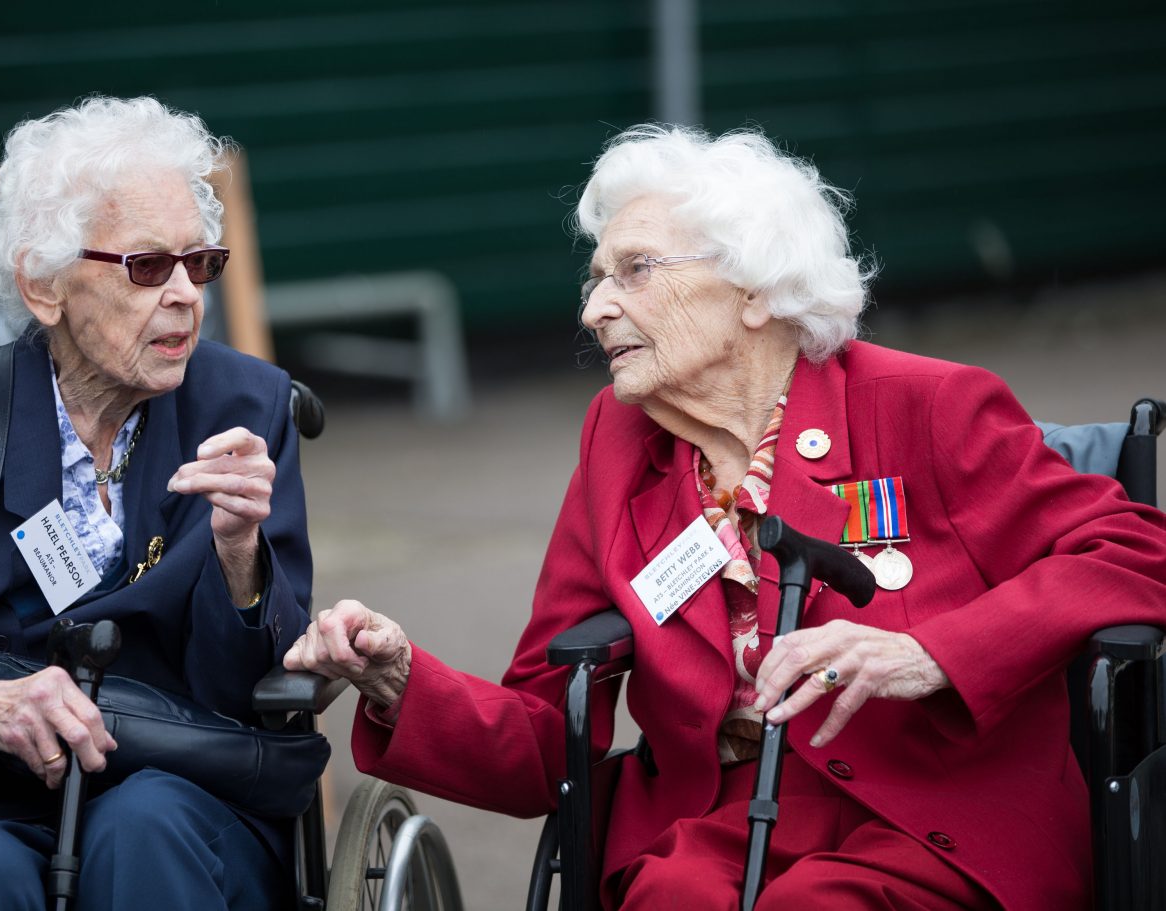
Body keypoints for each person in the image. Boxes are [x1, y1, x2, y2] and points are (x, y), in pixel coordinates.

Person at [284, 125, 1166, 909]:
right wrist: (401, 678)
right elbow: (548, 736)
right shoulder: (618, 445)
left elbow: (1134, 549)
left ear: (753, 290)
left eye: (634, 270)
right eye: (595, 279)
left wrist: (932, 652)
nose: (594, 310)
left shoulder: (926, 406)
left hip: (927, 820)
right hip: (713, 829)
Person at [0, 96, 315, 911]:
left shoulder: (243, 405)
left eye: (201, 261)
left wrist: (239, 556)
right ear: (44, 286)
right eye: (147, 266)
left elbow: (266, 682)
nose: (186, 293)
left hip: (182, 791)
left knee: (140, 829)